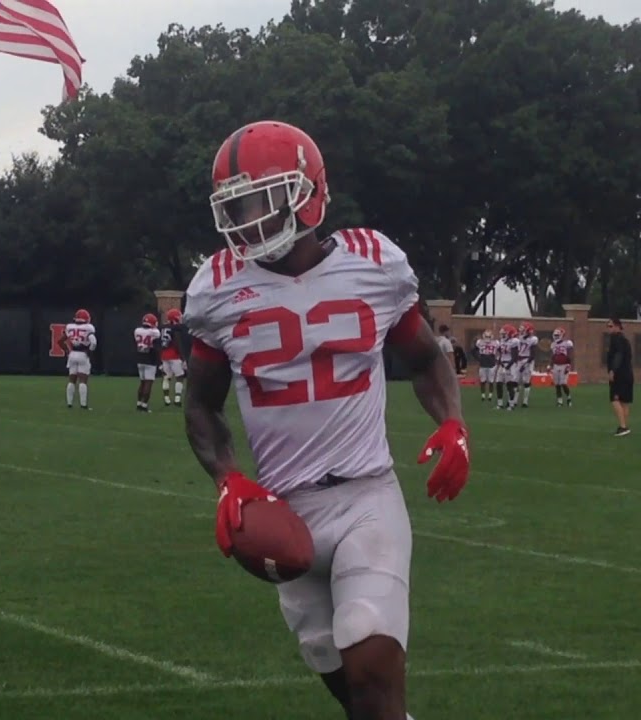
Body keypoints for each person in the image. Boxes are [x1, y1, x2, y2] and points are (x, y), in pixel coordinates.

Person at [183, 120, 470, 720]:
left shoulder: (373, 263)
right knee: (356, 696)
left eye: (262, 200)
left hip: (367, 494)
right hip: (285, 512)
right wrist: (228, 478)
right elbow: (201, 404)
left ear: (307, 193)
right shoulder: (216, 286)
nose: (248, 220)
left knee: (369, 656)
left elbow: (423, 358)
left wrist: (452, 423)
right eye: (236, 206)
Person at [57, 308, 96, 410]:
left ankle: (69, 404)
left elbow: (60, 341)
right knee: (83, 380)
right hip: (82, 354)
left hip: (73, 354)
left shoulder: (70, 327)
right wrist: (90, 352)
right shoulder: (89, 328)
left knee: (71, 380)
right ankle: (83, 405)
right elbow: (94, 342)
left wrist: (67, 350)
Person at [606, 317, 633, 436]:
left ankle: (623, 427)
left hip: (620, 375)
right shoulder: (625, 340)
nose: (609, 329)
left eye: (611, 326)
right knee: (624, 401)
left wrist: (613, 370)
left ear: (617, 326)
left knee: (614, 399)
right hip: (628, 374)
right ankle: (625, 426)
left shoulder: (616, 339)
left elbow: (618, 355)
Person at [159, 308, 188, 406]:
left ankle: (166, 399)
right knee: (179, 376)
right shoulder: (175, 328)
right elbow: (177, 342)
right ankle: (177, 399)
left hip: (164, 354)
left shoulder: (163, 327)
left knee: (166, 377)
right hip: (174, 355)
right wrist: (183, 358)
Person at [134, 313, 161, 412]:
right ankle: (144, 405)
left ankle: (139, 403)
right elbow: (156, 346)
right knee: (148, 383)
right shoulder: (155, 332)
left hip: (140, 357)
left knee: (142, 382)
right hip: (150, 358)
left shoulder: (137, 330)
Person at [516, 322, 539, 408]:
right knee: (516, 381)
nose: (521, 331)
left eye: (523, 329)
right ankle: (514, 401)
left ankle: (525, 401)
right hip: (519, 360)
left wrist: (526, 364)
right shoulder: (518, 338)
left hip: (527, 360)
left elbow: (532, 355)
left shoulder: (533, 339)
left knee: (526, 381)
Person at [549, 327, 573, 407]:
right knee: (557, 384)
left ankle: (569, 397)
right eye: (555, 335)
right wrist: (550, 365)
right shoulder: (553, 344)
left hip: (564, 365)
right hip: (556, 365)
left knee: (563, 383)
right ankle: (560, 401)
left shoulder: (567, 343)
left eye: (557, 335)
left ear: (562, 335)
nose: (555, 336)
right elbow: (553, 356)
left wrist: (569, 365)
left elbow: (570, 355)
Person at [475, 329, 498, 402]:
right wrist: (478, 358)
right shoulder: (479, 342)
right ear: (483, 336)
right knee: (483, 381)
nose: (487, 338)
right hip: (483, 364)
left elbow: (501, 350)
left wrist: (497, 358)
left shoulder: (496, 343)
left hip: (492, 364)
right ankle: (483, 395)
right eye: (486, 336)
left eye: (489, 336)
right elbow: (474, 350)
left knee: (491, 381)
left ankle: (490, 396)